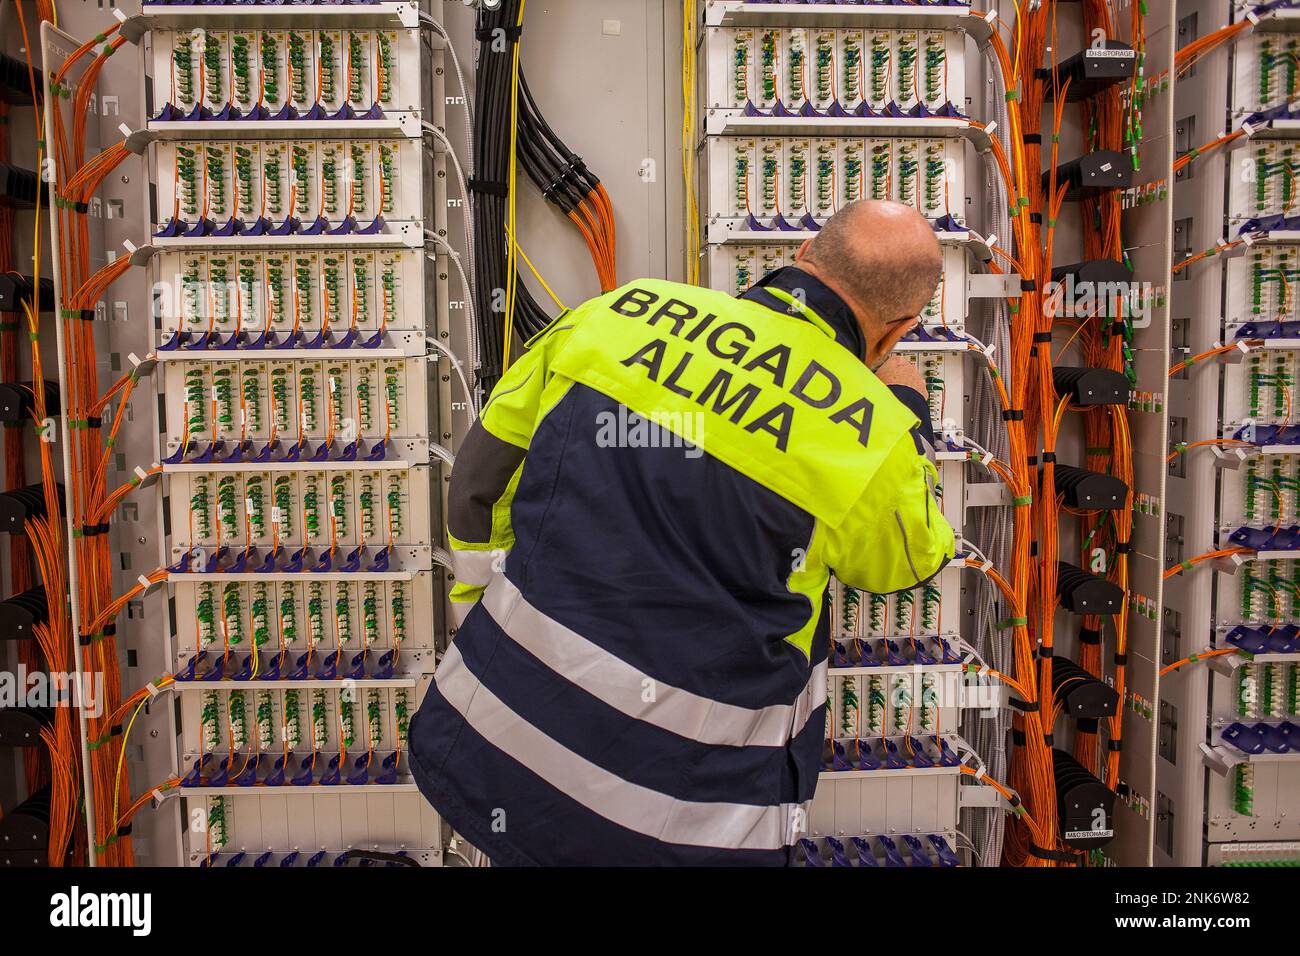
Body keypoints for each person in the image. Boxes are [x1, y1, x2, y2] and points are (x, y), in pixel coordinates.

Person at [408, 199, 956, 865]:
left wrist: (481, 625)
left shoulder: (621, 312)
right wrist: (906, 408)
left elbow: (481, 477)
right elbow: (908, 559)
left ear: (806, 252)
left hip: (489, 745)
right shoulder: (874, 436)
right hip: (682, 829)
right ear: (898, 331)